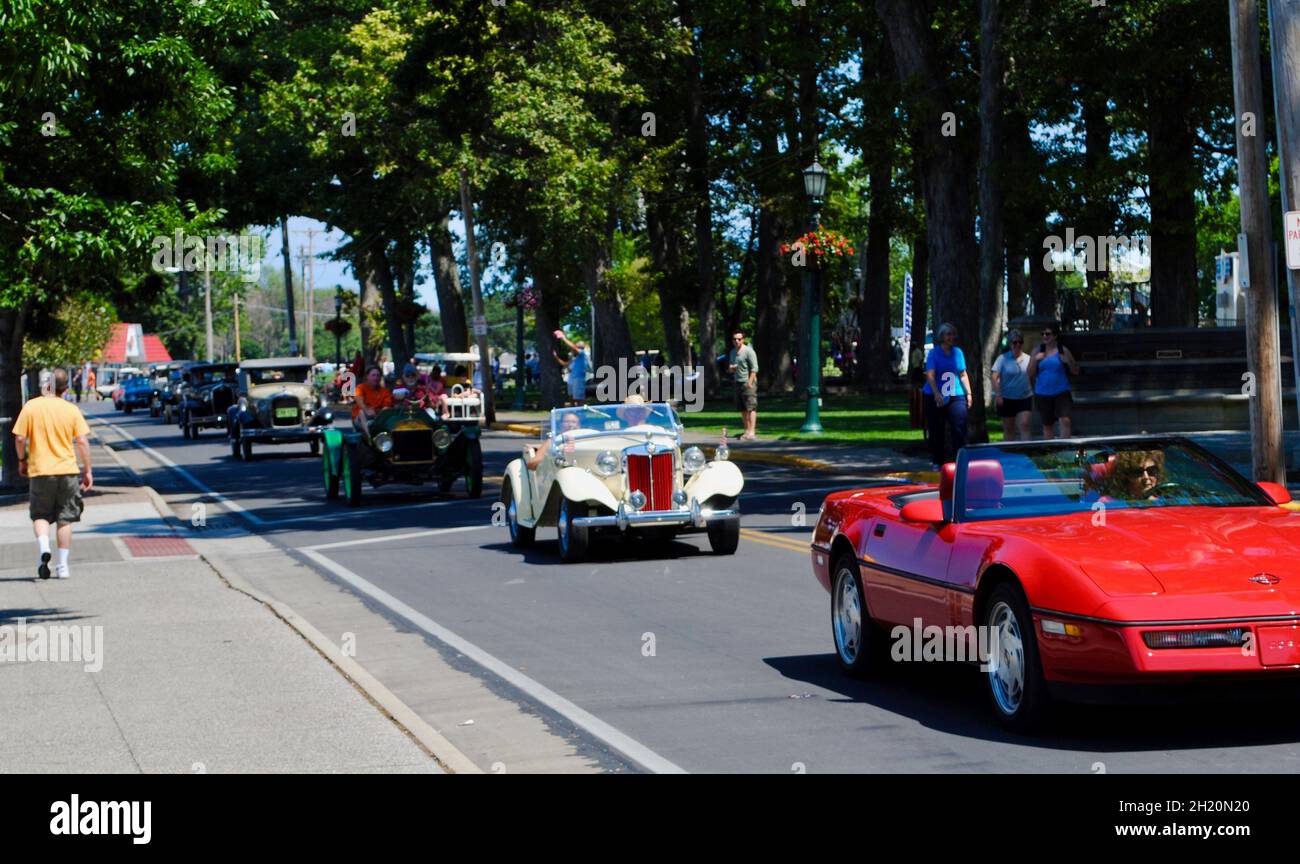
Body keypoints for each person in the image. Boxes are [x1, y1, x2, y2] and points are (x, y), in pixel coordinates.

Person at [12, 369, 92, 580]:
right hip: (67, 470)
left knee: (40, 515)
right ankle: (63, 566)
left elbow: (20, 438)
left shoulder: (31, 407)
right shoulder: (71, 410)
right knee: (65, 519)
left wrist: (22, 460)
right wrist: (88, 470)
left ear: (45, 385)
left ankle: (44, 548)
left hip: (40, 470)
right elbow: (82, 441)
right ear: (65, 388)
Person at [922, 322, 973, 468]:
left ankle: (961, 461)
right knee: (936, 429)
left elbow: (963, 374)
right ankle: (937, 461)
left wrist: (968, 393)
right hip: (935, 395)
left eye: (952, 334)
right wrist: (937, 394)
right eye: (947, 334)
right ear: (942, 337)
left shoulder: (958, 352)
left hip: (955, 393)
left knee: (959, 427)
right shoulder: (934, 353)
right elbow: (930, 375)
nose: (951, 337)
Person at [1027, 321, 1079, 439]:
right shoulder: (1037, 351)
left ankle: (1064, 447)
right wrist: (1035, 360)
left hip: (1061, 391)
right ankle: (1051, 451)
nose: (1044, 336)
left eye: (1048, 334)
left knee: (1065, 420)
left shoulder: (1063, 350)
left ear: (1055, 336)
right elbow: (1029, 373)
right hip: (1043, 393)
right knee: (1047, 425)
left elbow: (1075, 371)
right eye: (1043, 334)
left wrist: (1068, 361)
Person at [991, 329, 1033, 441]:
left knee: (1024, 424)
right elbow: (994, 377)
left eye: (1020, 342)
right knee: (1009, 428)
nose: (1017, 345)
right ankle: (1009, 451)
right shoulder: (1002, 359)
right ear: (1010, 344)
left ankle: (1026, 450)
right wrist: (998, 394)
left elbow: (1034, 376)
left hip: (1025, 397)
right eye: (1014, 342)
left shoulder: (1029, 359)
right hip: (1007, 398)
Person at [727, 330, 759, 440]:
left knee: (751, 407)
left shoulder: (749, 351)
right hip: (737, 382)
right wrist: (731, 368)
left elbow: (754, 368)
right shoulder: (732, 352)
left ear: (743, 340)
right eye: (734, 339)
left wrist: (749, 383)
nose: (736, 341)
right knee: (742, 408)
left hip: (748, 382)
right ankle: (746, 430)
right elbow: (730, 368)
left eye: (739, 339)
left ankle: (752, 431)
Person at [352, 365, 392, 433]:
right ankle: (369, 436)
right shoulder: (361, 387)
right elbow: (358, 399)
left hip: (378, 417)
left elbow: (387, 406)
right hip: (361, 418)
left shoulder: (385, 391)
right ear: (367, 376)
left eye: (378, 375)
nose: (376, 378)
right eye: (373, 375)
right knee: (362, 412)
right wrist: (366, 410)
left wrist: (380, 414)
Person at [554, 331, 589, 405]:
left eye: (575, 348)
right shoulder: (575, 359)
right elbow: (565, 364)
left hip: (579, 379)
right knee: (572, 398)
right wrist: (556, 357)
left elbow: (573, 347)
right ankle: (573, 414)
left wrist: (563, 337)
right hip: (573, 380)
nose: (572, 350)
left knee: (579, 399)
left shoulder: (582, 353)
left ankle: (581, 415)